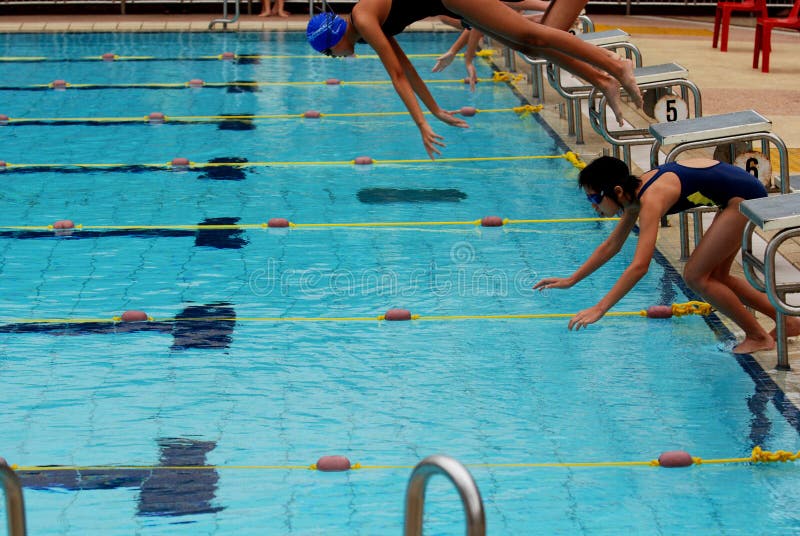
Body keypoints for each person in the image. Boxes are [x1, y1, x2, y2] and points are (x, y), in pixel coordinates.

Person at [305, 0, 642, 160]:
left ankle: (615, 65)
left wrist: (422, 123)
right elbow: (405, 69)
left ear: (332, 40)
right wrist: (434, 111)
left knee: (532, 35)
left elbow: (396, 74)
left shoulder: (363, 18)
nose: (335, 58)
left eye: (329, 53)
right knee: (531, 46)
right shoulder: (365, 26)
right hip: (449, 3)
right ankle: (603, 79)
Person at [533, 156, 800, 354]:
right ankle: (786, 321)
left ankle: (757, 336)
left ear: (615, 191)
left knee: (695, 276)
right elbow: (611, 245)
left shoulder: (650, 200)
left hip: (745, 198)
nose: (594, 208)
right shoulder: (632, 195)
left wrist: (600, 308)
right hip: (736, 194)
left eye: (594, 199)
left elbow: (640, 266)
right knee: (717, 277)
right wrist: (572, 280)